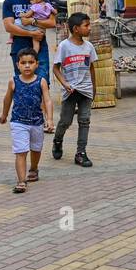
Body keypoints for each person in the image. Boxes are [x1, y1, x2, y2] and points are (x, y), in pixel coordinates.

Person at [0, 48, 53, 192]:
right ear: (18, 65)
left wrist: (49, 119)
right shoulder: (13, 81)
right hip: (18, 122)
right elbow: (7, 99)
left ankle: (34, 168)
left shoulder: (41, 81)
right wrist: (4, 115)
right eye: (23, 63)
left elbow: (47, 101)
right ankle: (21, 181)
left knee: (36, 148)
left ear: (37, 64)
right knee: (21, 151)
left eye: (31, 62)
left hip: (37, 122)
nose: (27, 66)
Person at [51, 11, 97, 168]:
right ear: (76, 29)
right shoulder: (64, 46)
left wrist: (94, 88)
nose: (89, 28)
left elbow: (91, 68)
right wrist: (64, 83)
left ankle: (81, 153)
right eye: (86, 25)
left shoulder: (89, 47)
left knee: (84, 121)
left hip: (86, 90)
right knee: (65, 121)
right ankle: (57, 141)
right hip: (70, 91)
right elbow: (56, 68)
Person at [2, 0, 55, 83]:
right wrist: (32, 34)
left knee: (43, 83)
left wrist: (33, 21)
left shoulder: (43, 0)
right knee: (23, 85)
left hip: (41, 49)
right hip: (19, 48)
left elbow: (52, 23)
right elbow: (9, 27)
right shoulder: (9, 2)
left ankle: (43, 102)